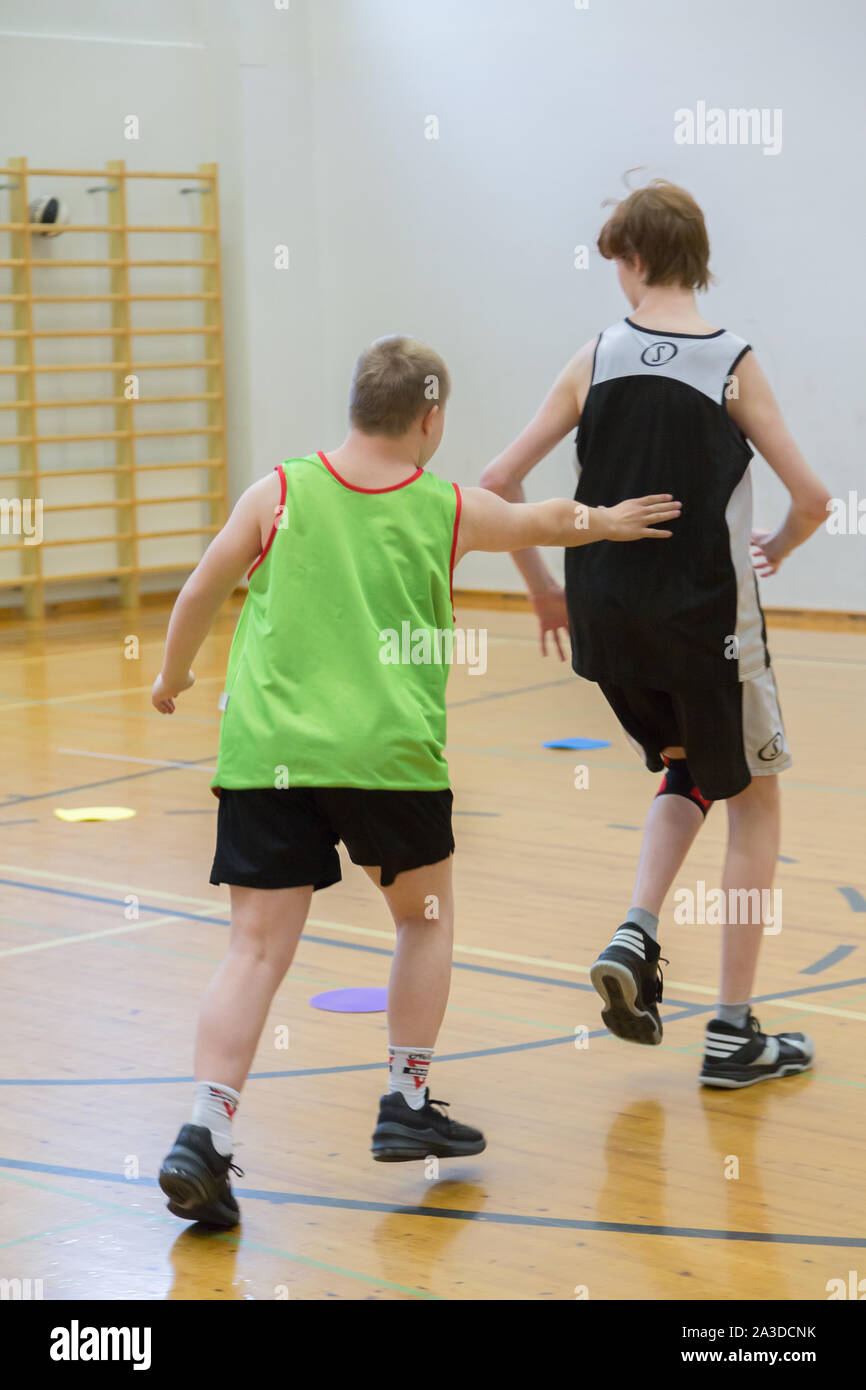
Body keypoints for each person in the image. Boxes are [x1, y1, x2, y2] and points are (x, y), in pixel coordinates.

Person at [151, 334, 680, 1226]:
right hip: (387, 759)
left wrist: (172, 678)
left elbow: (200, 591)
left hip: (265, 754)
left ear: (358, 406)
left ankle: (206, 1130)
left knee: (252, 953)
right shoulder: (442, 507)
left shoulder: (277, 489)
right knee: (422, 921)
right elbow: (546, 518)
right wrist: (610, 521)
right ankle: (406, 1100)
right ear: (430, 418)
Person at [481, 180, 831, 1089]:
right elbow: (814, 499)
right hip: (706, 624)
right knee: (754, 800)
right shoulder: (733, 361)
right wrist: (779, 550)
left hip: (606, 626)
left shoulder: (595, 356)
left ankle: (637, 933)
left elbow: (494, 484)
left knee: (686, 766)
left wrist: (545, 590)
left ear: (633, 261)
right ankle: (733, 1032)